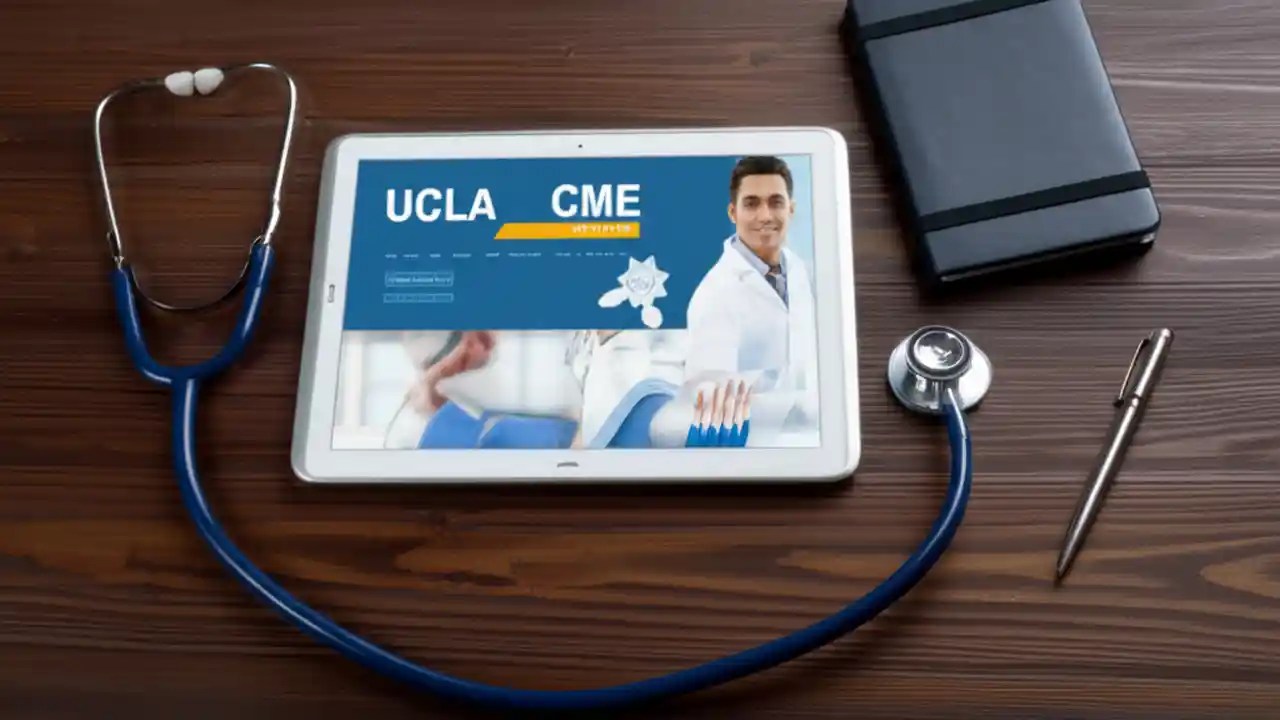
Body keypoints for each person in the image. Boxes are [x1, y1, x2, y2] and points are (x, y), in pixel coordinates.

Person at [684, 156, 819, 446]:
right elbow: (706, 393)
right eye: (752, 203)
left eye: (776, 202)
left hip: (808, 434)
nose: (765, 215)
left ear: (791, 209)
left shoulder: (796, 268)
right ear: (733, 213)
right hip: (758, 443)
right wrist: (785, 399)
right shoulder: (715, 293)